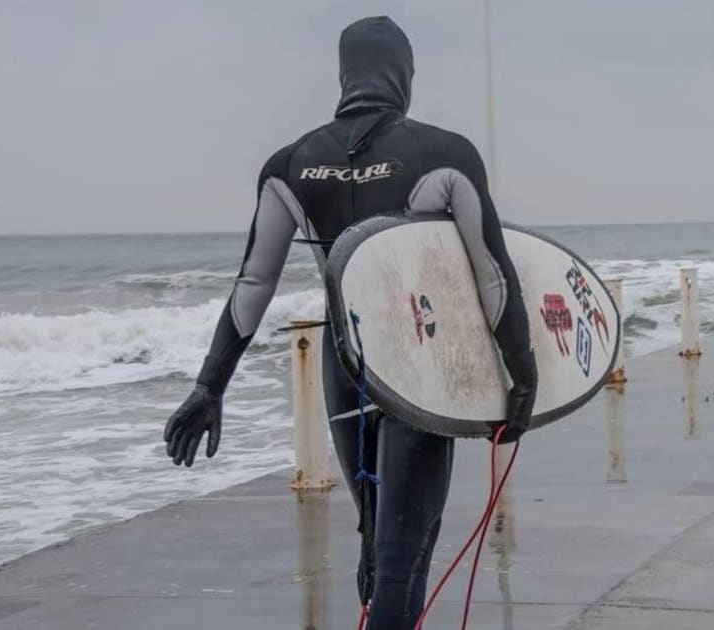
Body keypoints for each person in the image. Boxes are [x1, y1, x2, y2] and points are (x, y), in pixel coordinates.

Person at [162, 16, 537, 629]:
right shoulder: (444, 153)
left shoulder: (292, 163)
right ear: (404, 75)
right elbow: (493, 277)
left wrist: (210, 386)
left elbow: (253, 285)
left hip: (345, 368)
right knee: (401, 557)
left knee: (373, 534)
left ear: (344, 75)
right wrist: (522, 375)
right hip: (416, 362)